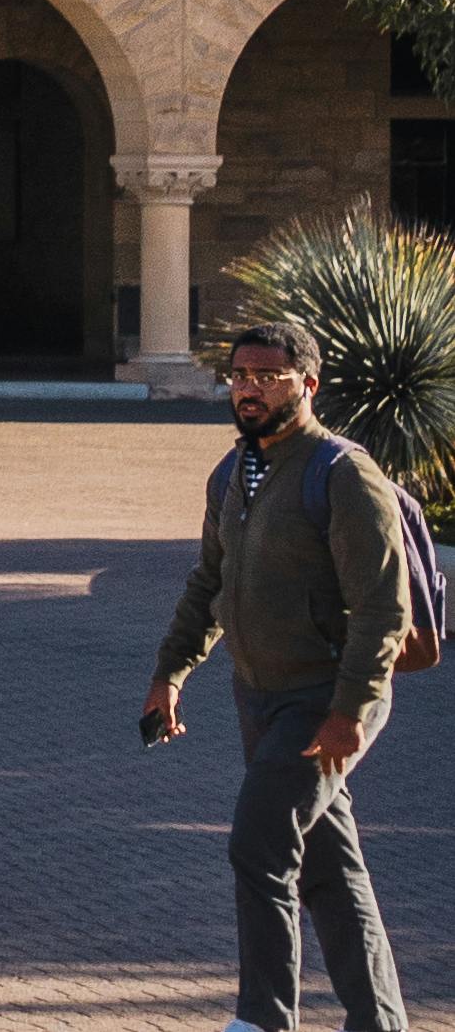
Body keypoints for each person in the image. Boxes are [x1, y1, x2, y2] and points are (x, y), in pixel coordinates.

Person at [148, 312, 418, 1032]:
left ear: (308, 383)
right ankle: (379, 1021)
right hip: (259, 696)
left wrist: (349, 710)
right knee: (331, 870)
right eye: (241, 375)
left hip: (324, 696)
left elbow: (383, 607)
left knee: (259, 845)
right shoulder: (234, 470)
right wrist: (171, 670)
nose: (251, 389)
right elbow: (209, 581)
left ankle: (263, 1019)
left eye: (269, 376)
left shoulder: (343, 473)